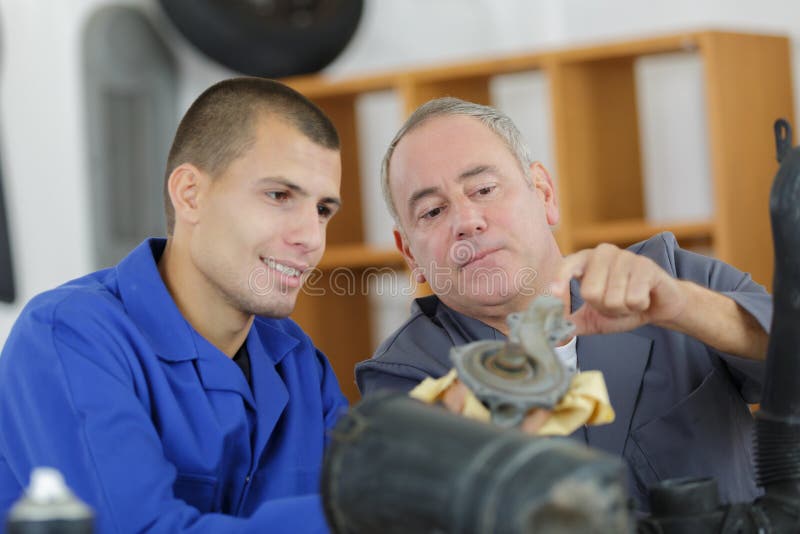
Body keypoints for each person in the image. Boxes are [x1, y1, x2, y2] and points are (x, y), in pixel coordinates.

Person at [355, 97, 770, 510]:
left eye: (483, 189)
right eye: (432, 211)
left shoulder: (672, 275)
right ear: (409, 253)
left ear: (544, 192)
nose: (466, 221)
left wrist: (684, 309)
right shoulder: (407, 380)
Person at [0, 78, 348, 532]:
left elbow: (369, 488)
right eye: (279, 195)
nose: (310, 238)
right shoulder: (66, 335)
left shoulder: (299, 362)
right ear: (189, 193)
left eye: (323, 209)